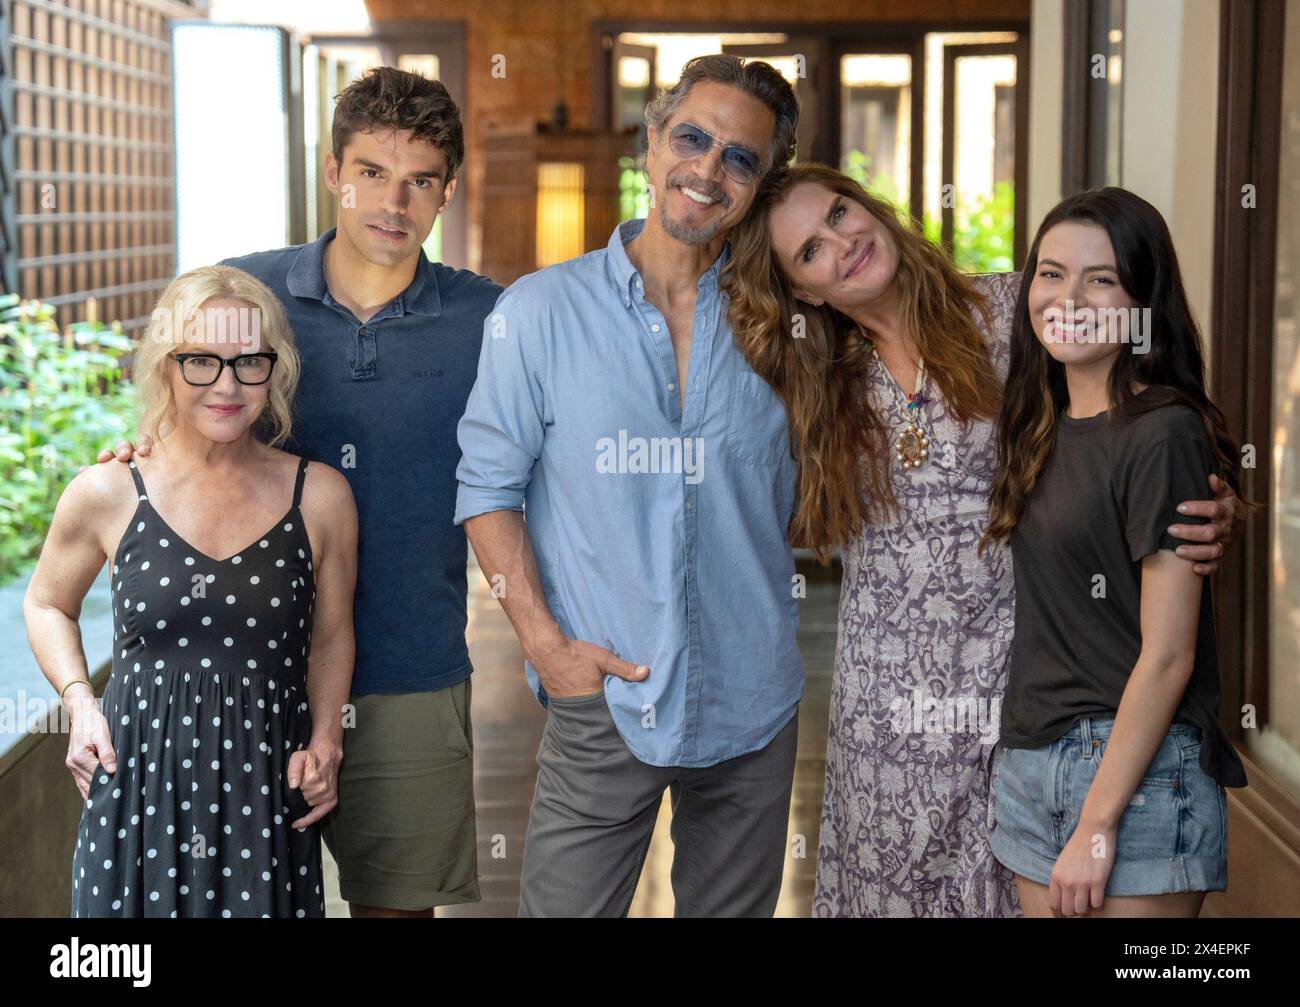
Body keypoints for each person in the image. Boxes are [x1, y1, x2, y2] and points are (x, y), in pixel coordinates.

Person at [721, 163, 1243, 916]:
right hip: (884, 716)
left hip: (1019, 697)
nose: (842, 242)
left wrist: (1213, 499)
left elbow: (1136, 411)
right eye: (810, 251)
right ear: (803, 290)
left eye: (840, 212)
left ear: (869, 204)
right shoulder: (814, 376)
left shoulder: (1011, 309)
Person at [100, 67, 502, 917]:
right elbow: (176, 400)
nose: (393, 202)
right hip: (242, 680)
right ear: (332, 172)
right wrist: (145, 446)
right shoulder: (244, 292)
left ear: (447, 192)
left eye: (420, 180)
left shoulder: (489, 321)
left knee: (397, 910)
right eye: (370, 172)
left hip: (408, 674)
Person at [455, 54, 803, 917]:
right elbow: (485, 490)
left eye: (740, 158)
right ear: (651, 144)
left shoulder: (791, 327)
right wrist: (546, 647)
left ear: (760, 184)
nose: (708, 170)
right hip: (601, 700)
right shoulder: (536, 313)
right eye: (692, 138)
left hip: (751, 703)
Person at [26, 265, 357, 917]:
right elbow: (45, 603)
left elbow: (331, 634)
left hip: (262, 798)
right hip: (135, 790)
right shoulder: (109, 491)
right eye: (201, 360)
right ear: (166, 365)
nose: (227, 385)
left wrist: (326, 740)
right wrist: (80, 703)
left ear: (276, 368)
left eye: (248, 362)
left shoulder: (319, 496)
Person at [983, 187, 1249, 917]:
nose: (1068, 296)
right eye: (1051, 271)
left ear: (1141, 302)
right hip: (1034, 755)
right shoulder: (1037, 423)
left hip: (1138, 770)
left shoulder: (1161, 431)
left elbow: (1169, 655)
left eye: (1101, 278)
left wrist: (1097, 822)